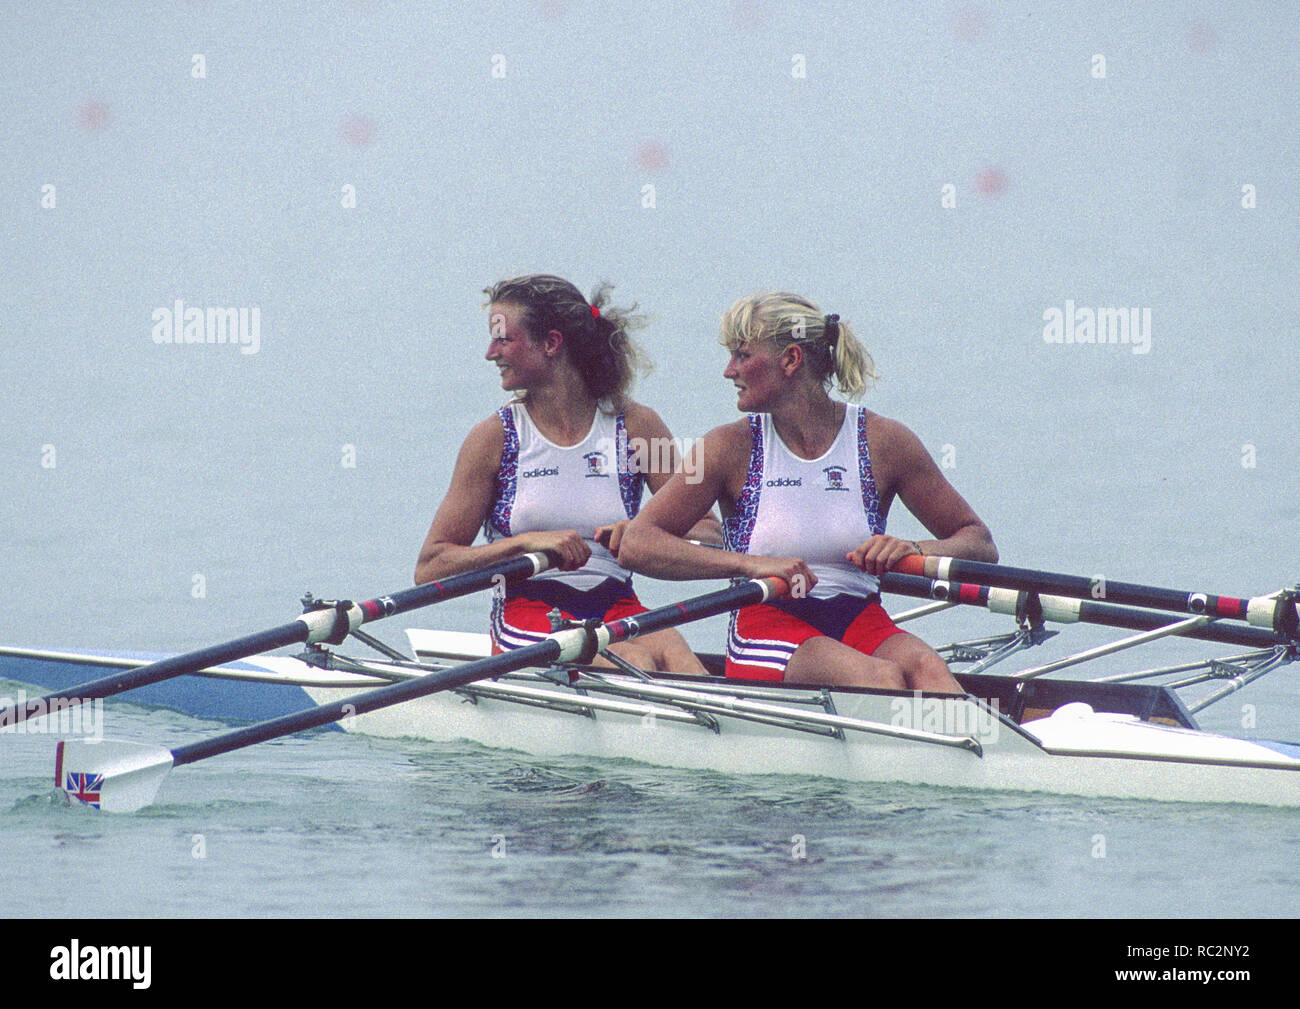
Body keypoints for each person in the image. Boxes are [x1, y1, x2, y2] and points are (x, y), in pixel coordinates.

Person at [618, 292, 998, 692]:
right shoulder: (726, 449)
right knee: (878, 677)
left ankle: (983, 751)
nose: (729, 371)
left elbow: (979, 542)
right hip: (765, 623)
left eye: (743, 355)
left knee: (929, 671)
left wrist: (913, 548)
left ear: (790, 360)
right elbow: (639, 544)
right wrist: (748, 566)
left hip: (860, 617)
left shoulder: (886, 441)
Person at [415, 274, 719, 674]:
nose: (491, 353)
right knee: (634, 660)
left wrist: (640, 529)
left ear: (552, 343)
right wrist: (522, 544)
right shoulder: (492, 437)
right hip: (529, 613)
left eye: (503, 339)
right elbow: (430, 567)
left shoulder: (640, 425)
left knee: (677, 656)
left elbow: (710, 533)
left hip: (618, 604)